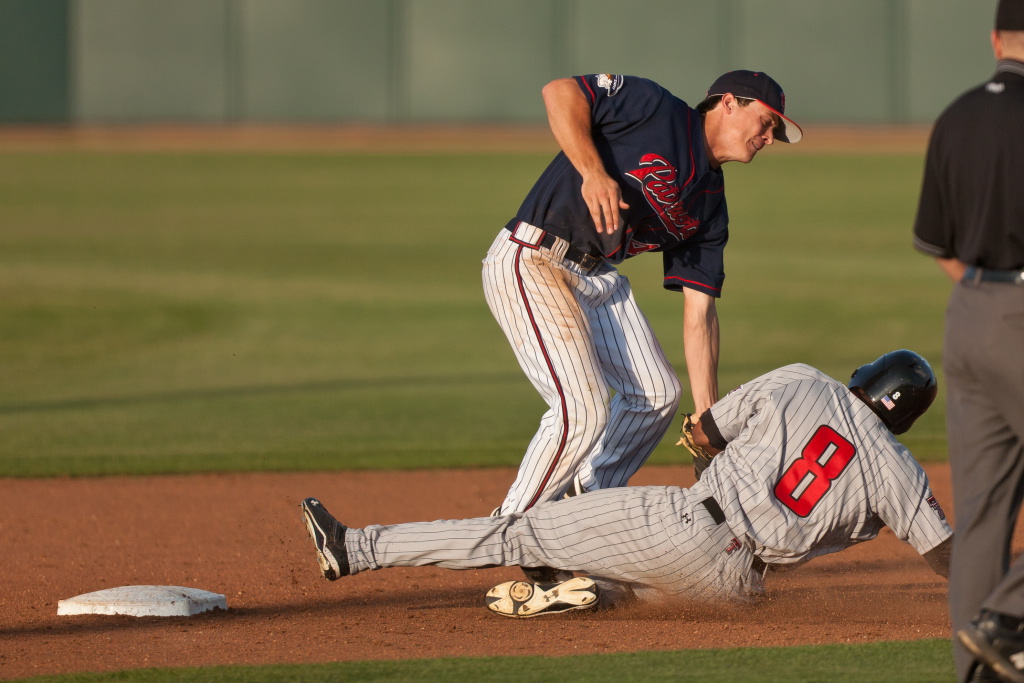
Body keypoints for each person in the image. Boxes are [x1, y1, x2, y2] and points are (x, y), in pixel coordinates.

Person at [300, 350, 952, 618]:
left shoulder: (806, 379)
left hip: (688, 522)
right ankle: (595, 591)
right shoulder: (899, 472)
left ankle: (354, 549)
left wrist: (716, 470)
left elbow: (706, 433)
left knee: (520, 527)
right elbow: (950, 556)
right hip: (738, 587)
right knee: (645, 590)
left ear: (867, 377)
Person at [483, 69, 802, 532]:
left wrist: (708, 420)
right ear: (729, 102)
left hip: (596, 277)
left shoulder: (710, 204)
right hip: (533, 258)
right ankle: (508, 533)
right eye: (768, 121)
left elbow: (701, 316)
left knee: (657, 394)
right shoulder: (654, 107)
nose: (770, 137)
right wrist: (593, 172)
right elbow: (558, 91)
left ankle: (582, 504)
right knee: (582, 410)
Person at [911, 1, 1024, 681]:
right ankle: (1009, 615)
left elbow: (937, 243)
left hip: (970, 313)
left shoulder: (957, 114)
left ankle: (977, 674)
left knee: (981, 517)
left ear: (995, 38)